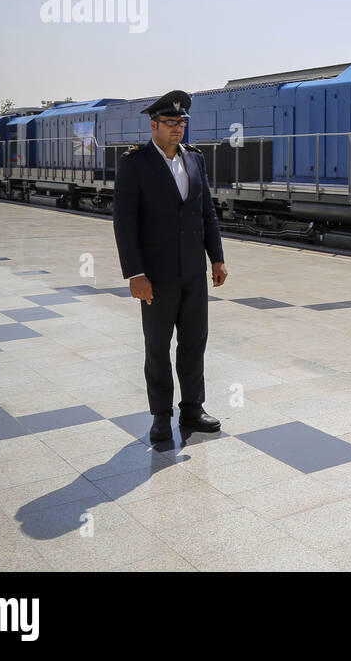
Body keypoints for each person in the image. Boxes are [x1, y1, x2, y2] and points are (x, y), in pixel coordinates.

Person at [112, 90, 228, 443]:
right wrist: (135, 274)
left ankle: (192, 408)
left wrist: (217, 257)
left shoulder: (195, 160)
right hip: (156, 276)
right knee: (157, 347)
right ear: (154, 125)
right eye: (171, 122)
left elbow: (205, 210)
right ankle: (161, 414)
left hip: (193, 272)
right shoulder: (134, 163)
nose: (178, 128)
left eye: (182, 122)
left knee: (194, 342)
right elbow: (124, 221)